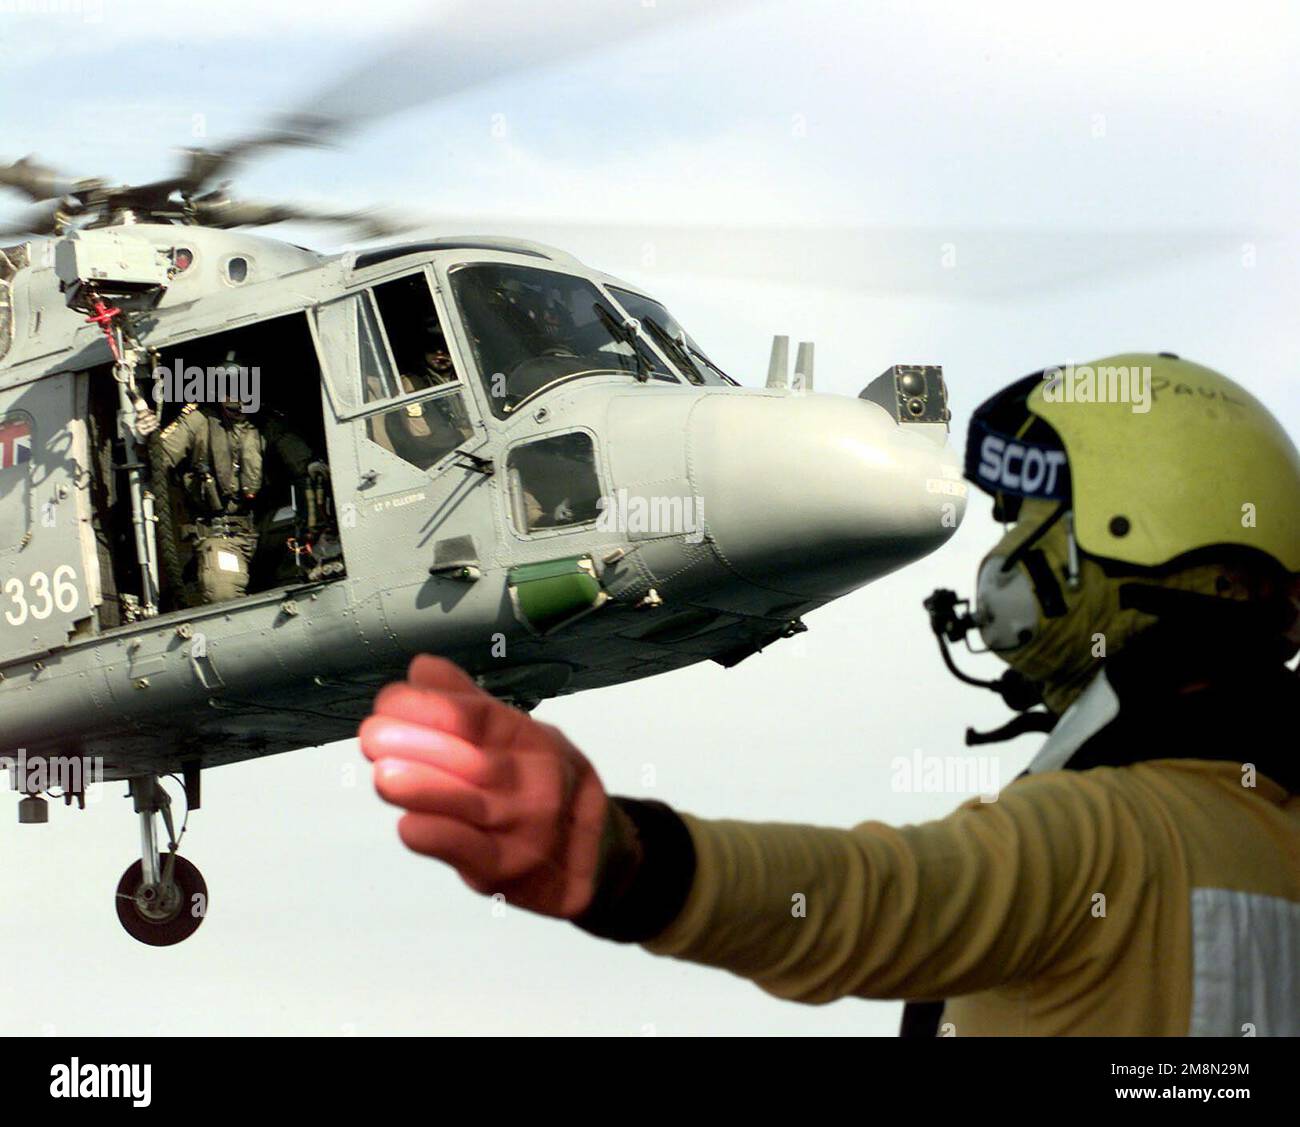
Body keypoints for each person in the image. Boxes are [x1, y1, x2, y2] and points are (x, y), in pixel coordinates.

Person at [357, 353, 1300, 1036]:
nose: (1002, 557)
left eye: (1022, 522)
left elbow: (872, 899)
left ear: (1111, 540)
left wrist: (627, 860)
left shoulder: (1106, 841)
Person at [145, 352, 330, 604]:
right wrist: (145, 434)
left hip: (263, 528)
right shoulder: (197, 422)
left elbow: (298, 456)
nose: (234, 396)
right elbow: (159, 457)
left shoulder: (266, 423)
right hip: (221, 534)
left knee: (305, 576)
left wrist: (314, 467)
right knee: (224, 594)